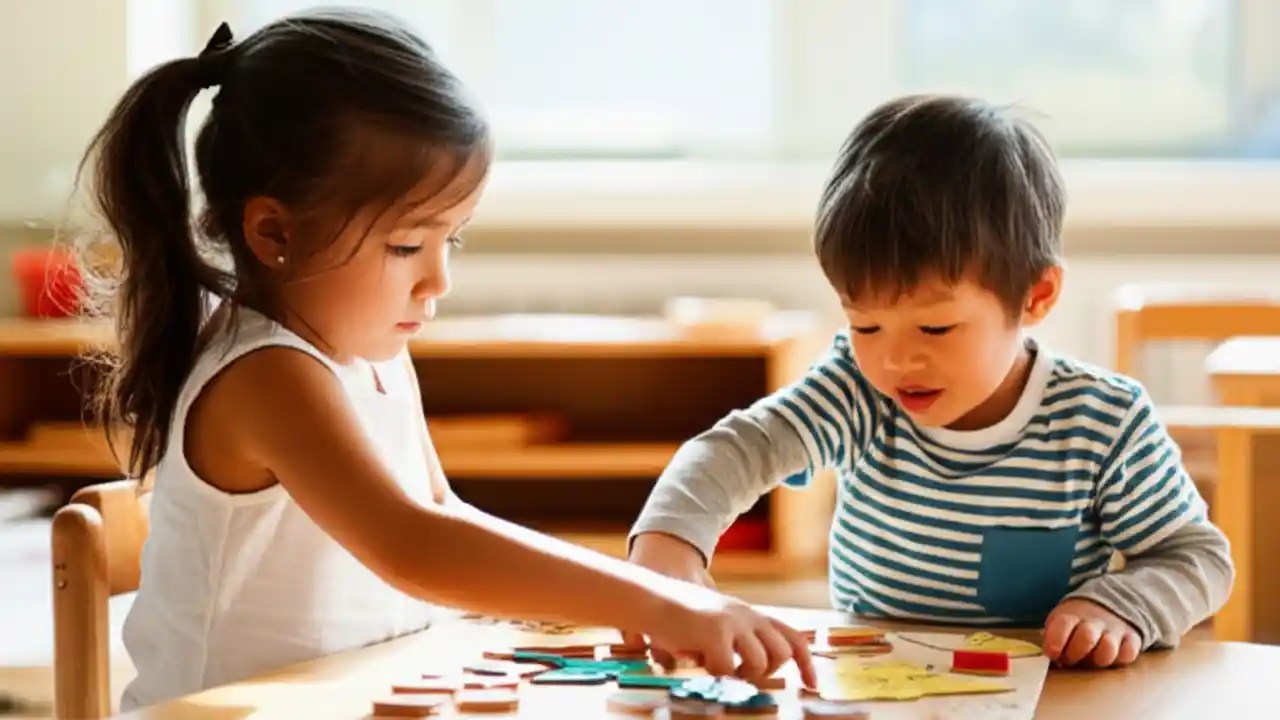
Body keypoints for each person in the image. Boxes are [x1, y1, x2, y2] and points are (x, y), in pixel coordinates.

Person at [75, 9, 814, 709]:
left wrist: (629, 594)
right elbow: (414, 544)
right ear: (275, 234)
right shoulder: (268, 373)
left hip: (351, 695)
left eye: (449, 240)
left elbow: (442, 512)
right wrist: (656, 599)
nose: (439, 280)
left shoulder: (376, 358)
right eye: (406, 246)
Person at [629, 94, 1234, 669]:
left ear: (1036, 297)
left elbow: (1198, 558)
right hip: (877, 684)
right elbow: (737, 449)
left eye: (936, 328)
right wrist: (670, 546)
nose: (896, 361)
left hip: (1049, 692)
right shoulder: (858, 389)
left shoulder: (1101, 421)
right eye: (865, 324)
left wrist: (1118, 605)